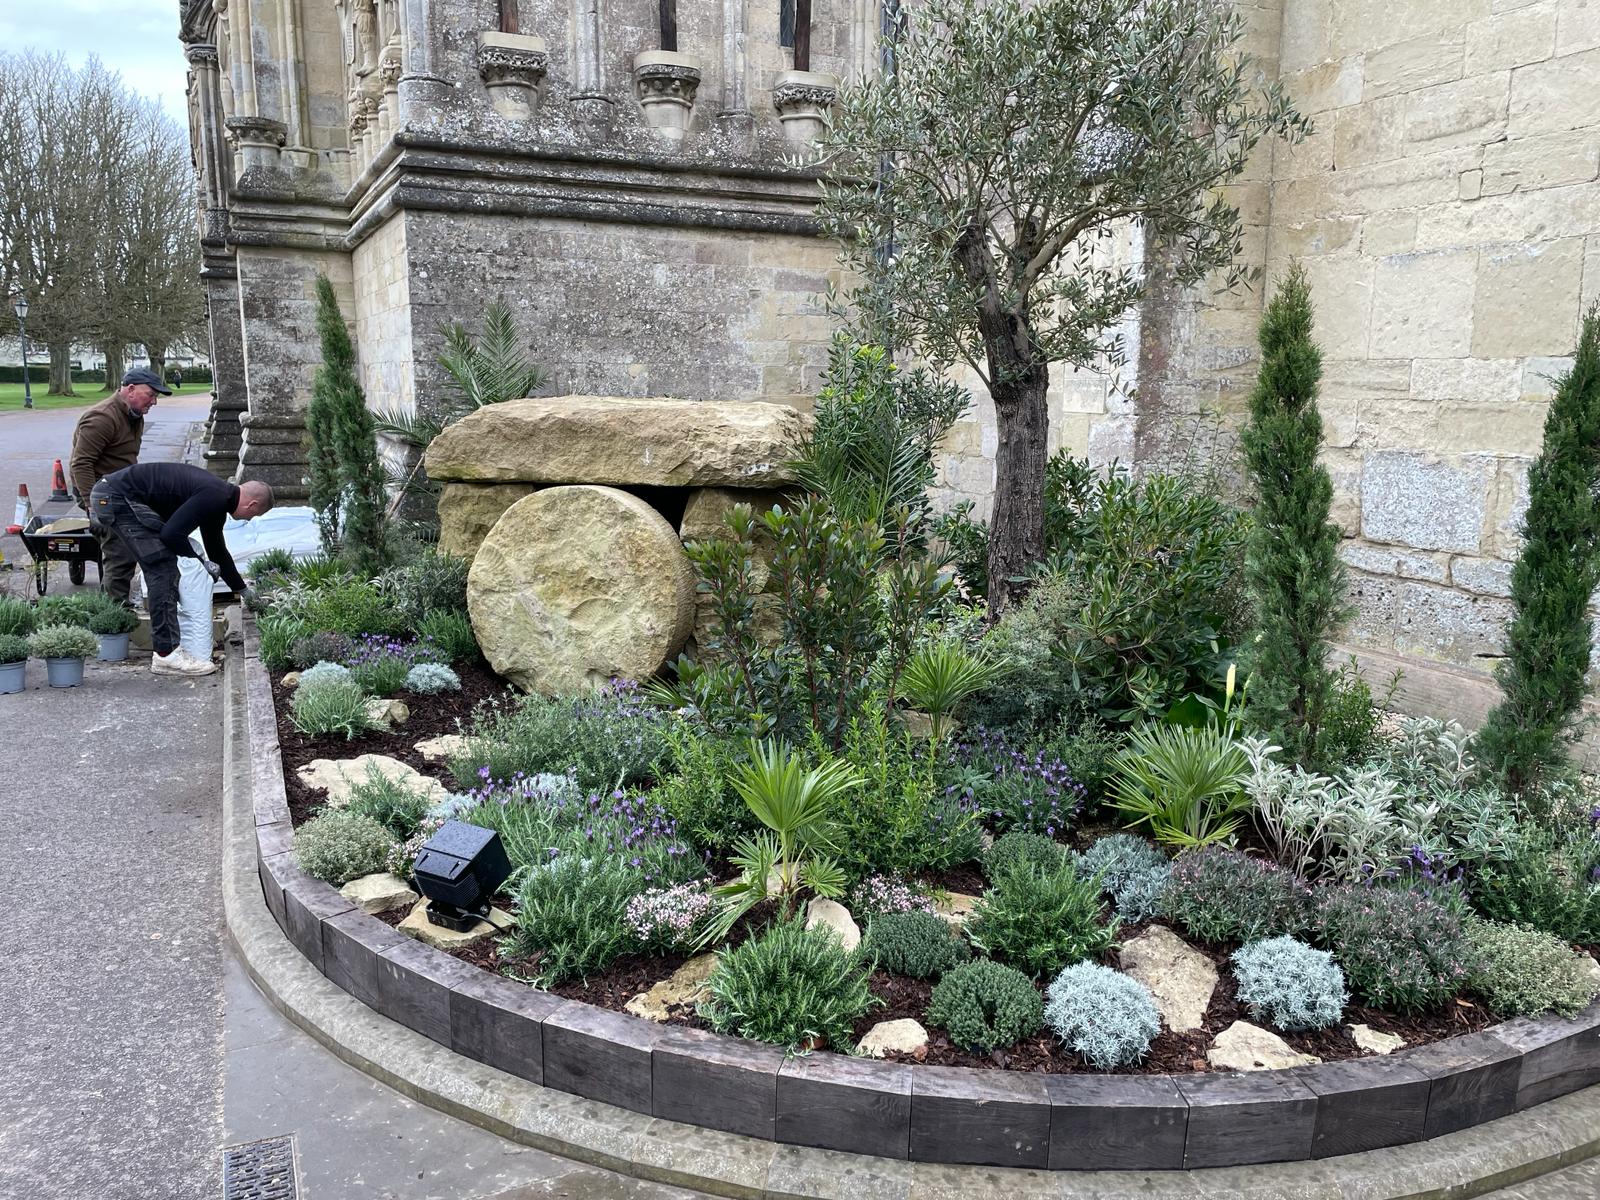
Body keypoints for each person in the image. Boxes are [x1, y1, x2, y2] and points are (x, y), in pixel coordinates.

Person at [89, 463, 274, 677]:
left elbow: (217, 552)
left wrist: (243, 592)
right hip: (115, 496)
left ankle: (168, 649)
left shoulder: (218, 500)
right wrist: (200, 561)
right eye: (254, 515)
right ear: (251, 505)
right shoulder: (214, 497)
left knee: (164, 565)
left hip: (116, 494)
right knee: (162, 568)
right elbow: (171, 535)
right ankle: (166, 655)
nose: (250, 519)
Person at [69, 367, 170, 606]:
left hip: (121, 492)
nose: (154, 401)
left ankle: (116, 610)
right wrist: (93, 507)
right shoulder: (103, 418)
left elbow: (125, 459)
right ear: (131, 389)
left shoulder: (134, 415)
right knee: (120, 552)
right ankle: (114, 616)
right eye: (151, 394)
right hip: (100, 495)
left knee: (138, 543)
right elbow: (81, 464)